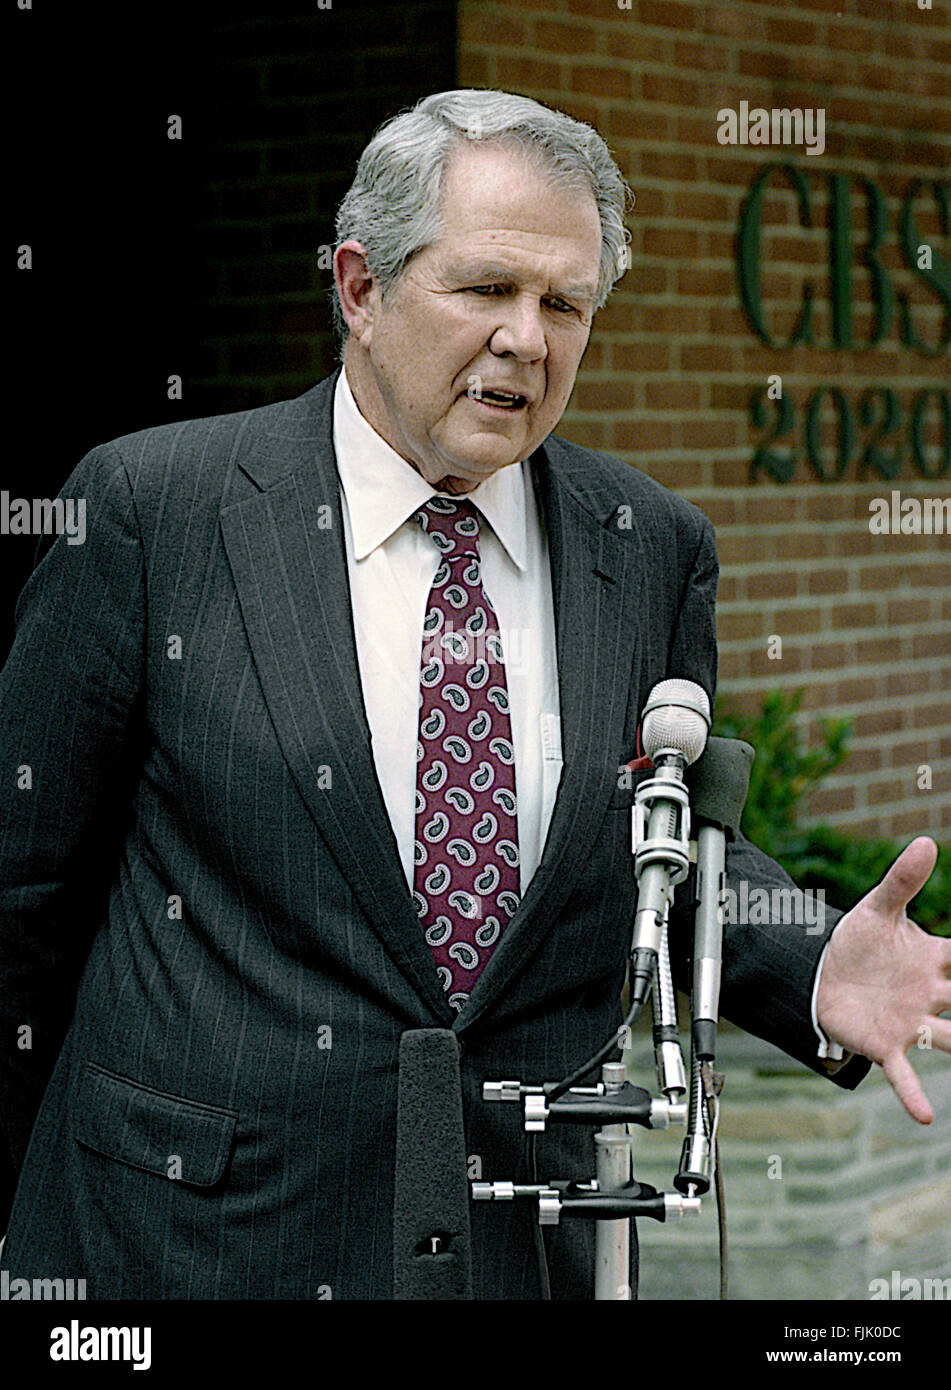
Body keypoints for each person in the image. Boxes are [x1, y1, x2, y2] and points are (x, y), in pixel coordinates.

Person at [0, 89, 947, 1302]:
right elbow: (23, 899)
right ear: (359, 286)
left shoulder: (649, 541)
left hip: (521, 1246)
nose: (526, 339)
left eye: (566, 304)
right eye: (486, 289)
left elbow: (636, 839)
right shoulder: (153, 512)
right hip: (190, 1245)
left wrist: (814, 960)